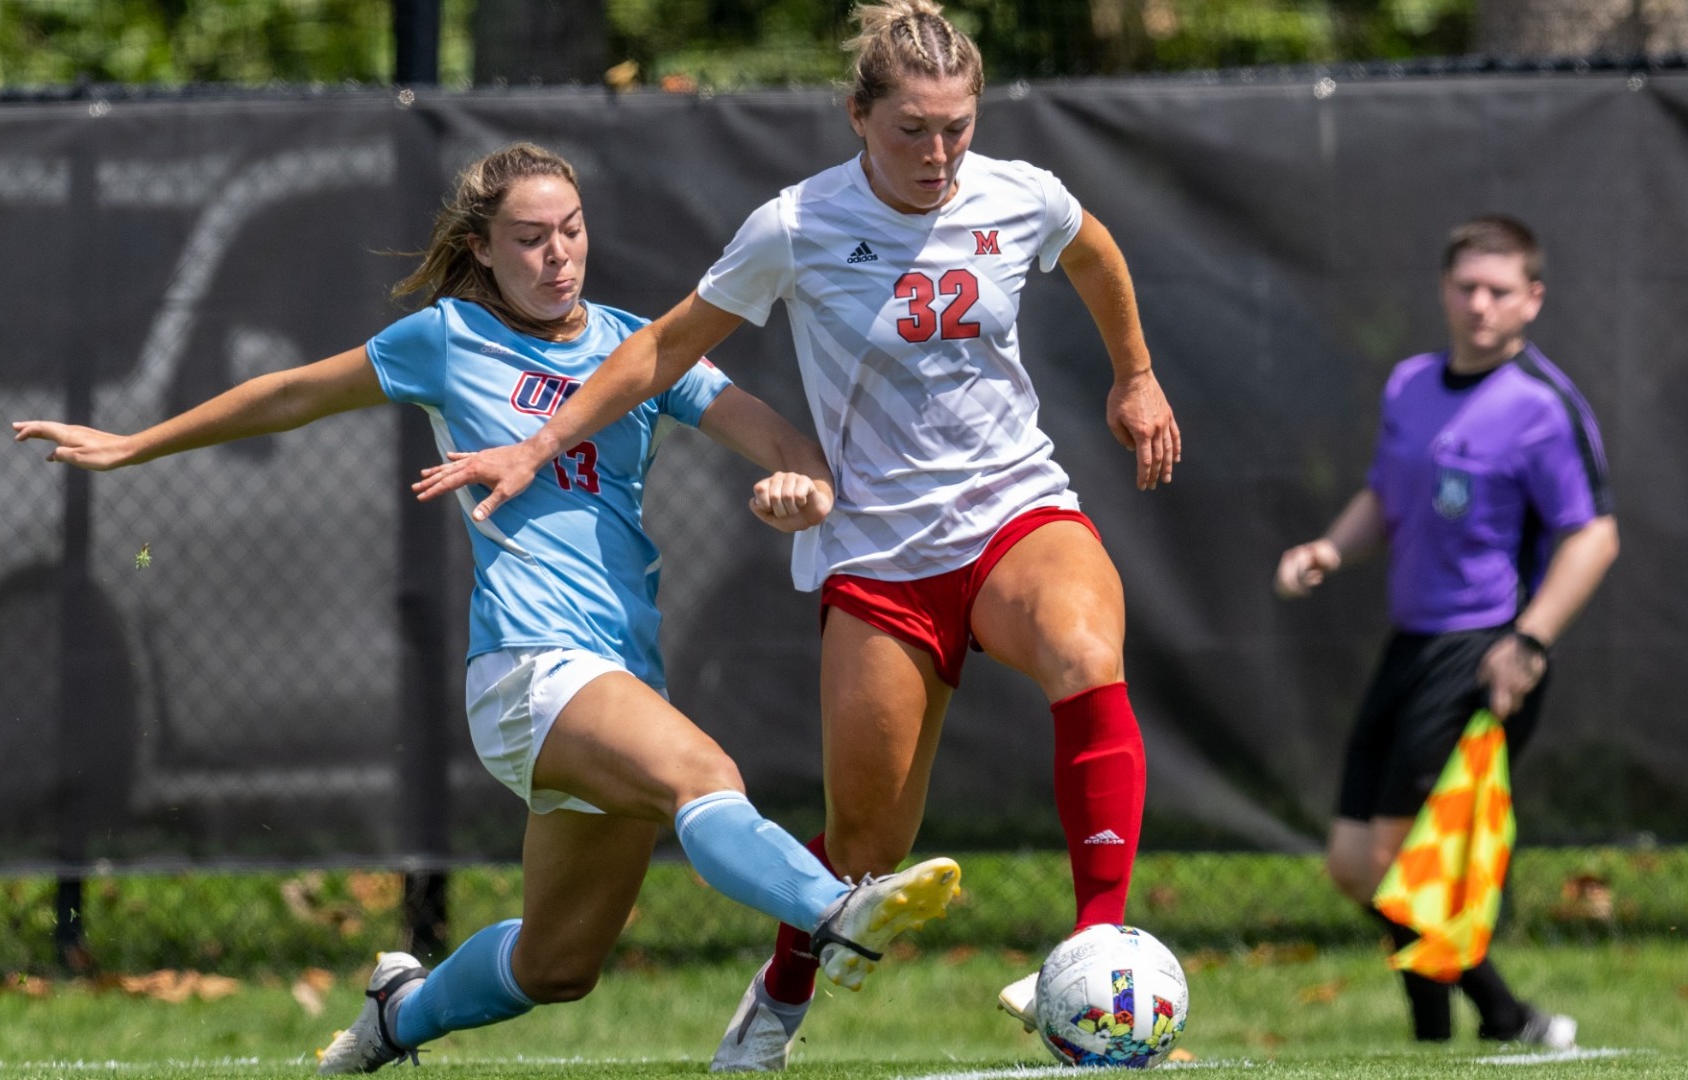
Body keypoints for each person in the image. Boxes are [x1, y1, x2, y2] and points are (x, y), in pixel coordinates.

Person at [12, 142, 962, 1075]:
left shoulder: (639, 352)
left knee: (556, 967)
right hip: (526, 669)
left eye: (572, 232)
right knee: (702, 772)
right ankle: (834, 911)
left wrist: (799, 492)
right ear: (483, 250)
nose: (558, 256)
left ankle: (397, 1012)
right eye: (530, 239)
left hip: (617, 677)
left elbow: (786, 449)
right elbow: (292, 393)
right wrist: (134, 442)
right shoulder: (448, 339)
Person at [409, 3, 1181, 1069]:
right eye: (912, 128)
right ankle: (776, 998)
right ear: (858, 116)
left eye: (957, 125)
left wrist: (1134, 376)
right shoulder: (795, 224)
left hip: (1014, 514)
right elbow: (661, 351)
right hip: (877, 560)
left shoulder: (1019, 196)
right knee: (867, 849)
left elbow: (1093, 253)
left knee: (1087, 654)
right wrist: (536, 448)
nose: (939, 151)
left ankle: (1099, 939)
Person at [1274, 215, 1617, 1049]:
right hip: (1410, 642)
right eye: (1467, 287)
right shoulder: (1411, 386)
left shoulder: (1542, 409)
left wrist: (1527, 643)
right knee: (1355, 865)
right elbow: (1384, 500)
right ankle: (1505, 1017)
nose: (1480, 304)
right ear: (1444, 291)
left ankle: (1435, 1044)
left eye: (1500, 290)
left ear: (1532, 300)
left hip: (1483, 651)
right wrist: (1328, 547)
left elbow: (1594, 536)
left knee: (1399, 853)